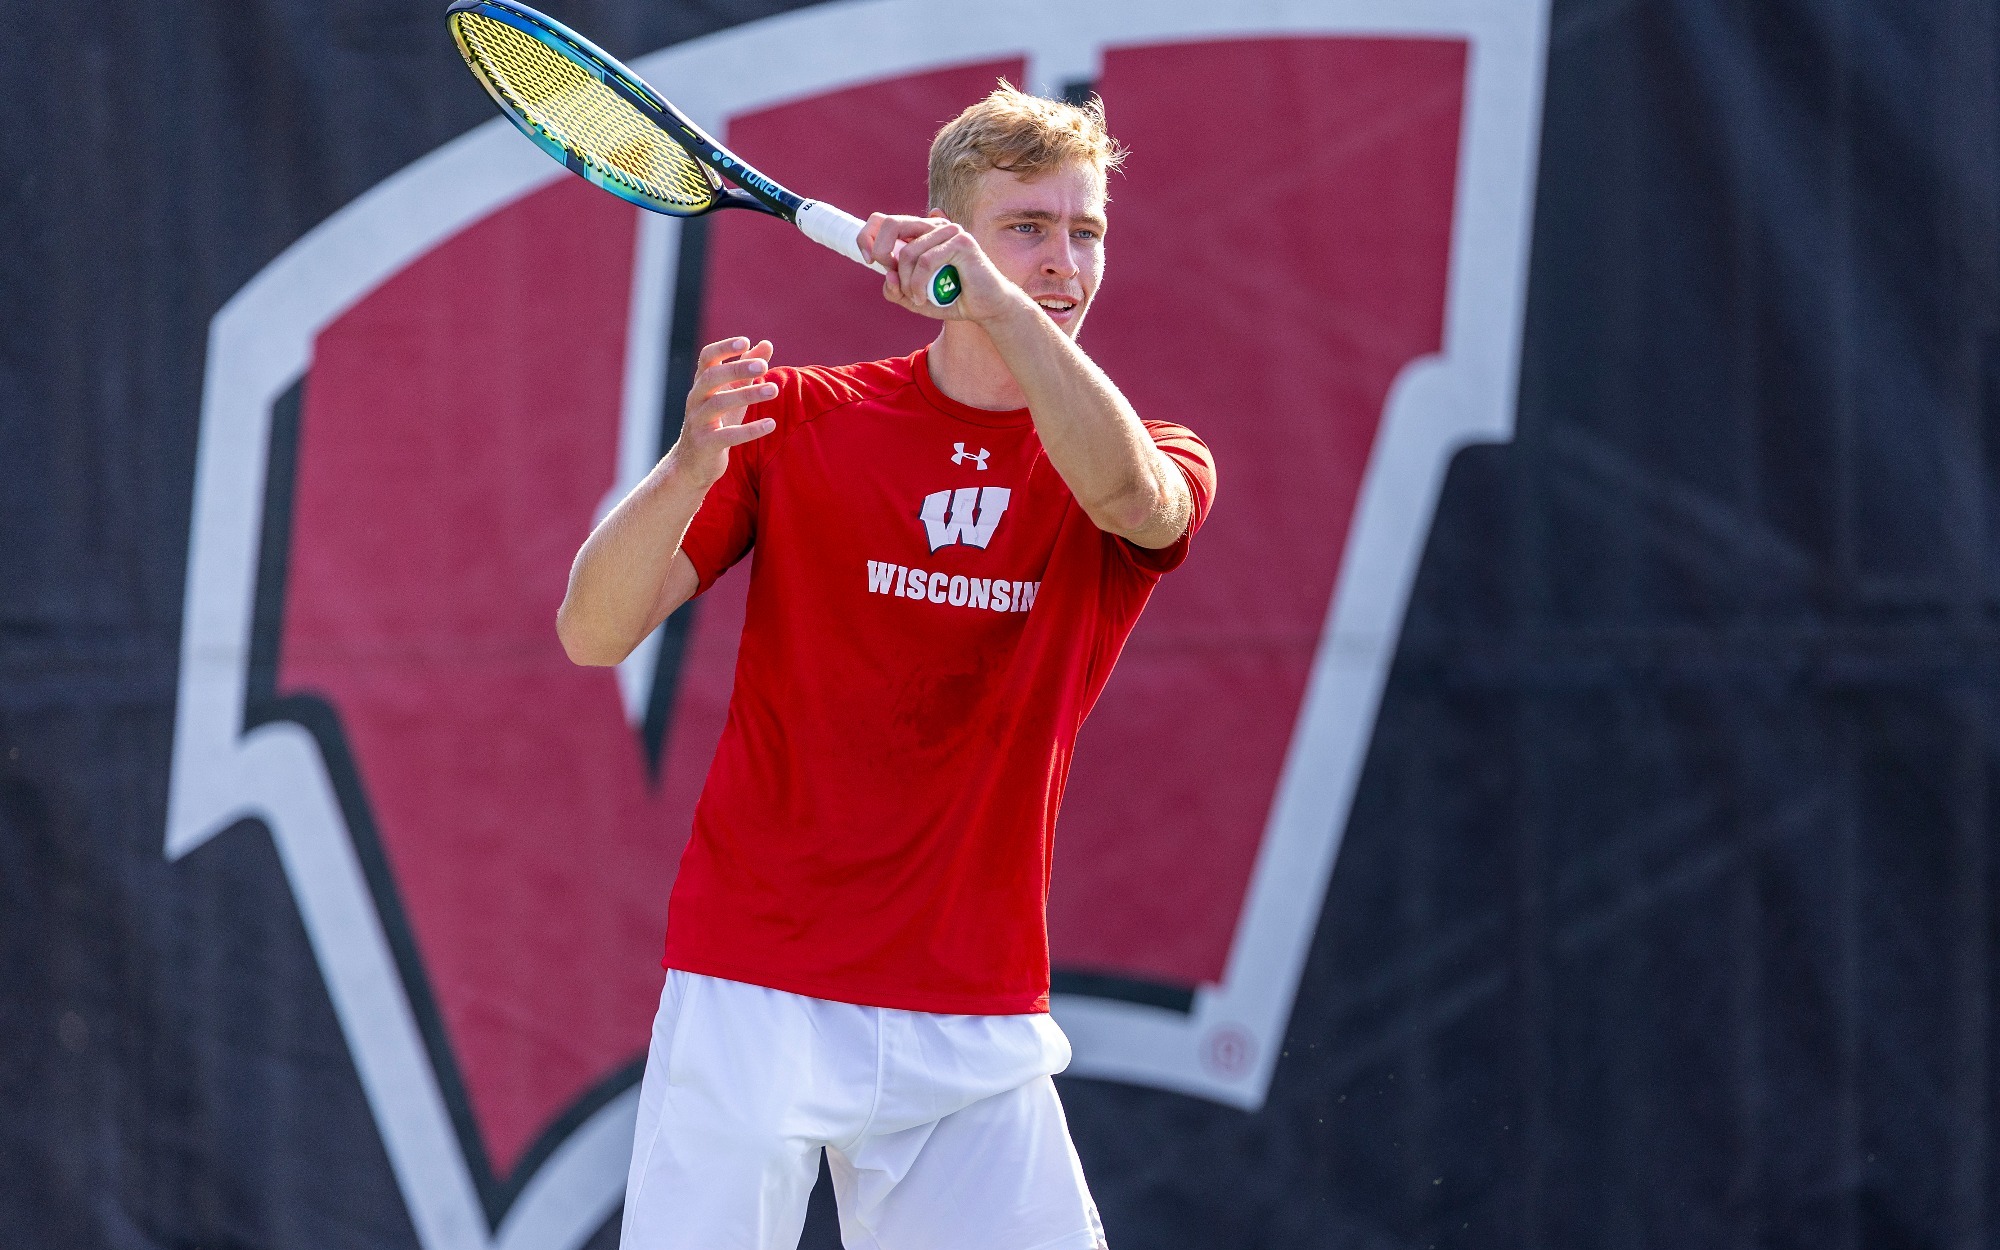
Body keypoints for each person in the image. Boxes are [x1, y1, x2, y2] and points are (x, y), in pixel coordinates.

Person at [556, 82, 1215, 1250]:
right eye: (1026, 227)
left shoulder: (1150, 452)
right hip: (751, 989)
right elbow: (591, 631)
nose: (1061, 260)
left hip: (974, 1018)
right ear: (952, 229)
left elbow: (1133, 500)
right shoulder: (800, 420)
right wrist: (687, 466)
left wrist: (1001, 306)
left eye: (1084, 230)